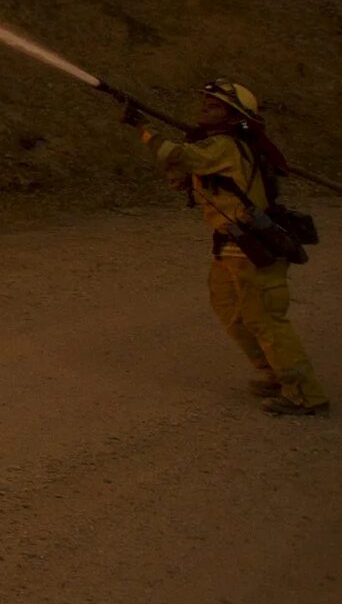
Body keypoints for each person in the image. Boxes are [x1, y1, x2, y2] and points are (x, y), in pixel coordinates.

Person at [138, 79, 328, 414]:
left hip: (252, 248)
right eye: (205, 102)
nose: (204, 108)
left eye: (214, 105)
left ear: (234, 114)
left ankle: (305, 394)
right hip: (229, 246)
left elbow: (175, 154)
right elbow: (180, 174)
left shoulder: (226, 146)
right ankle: (275, 375)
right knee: (233, 314)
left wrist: (142, 128)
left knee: (265, 320)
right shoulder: (214, 148)